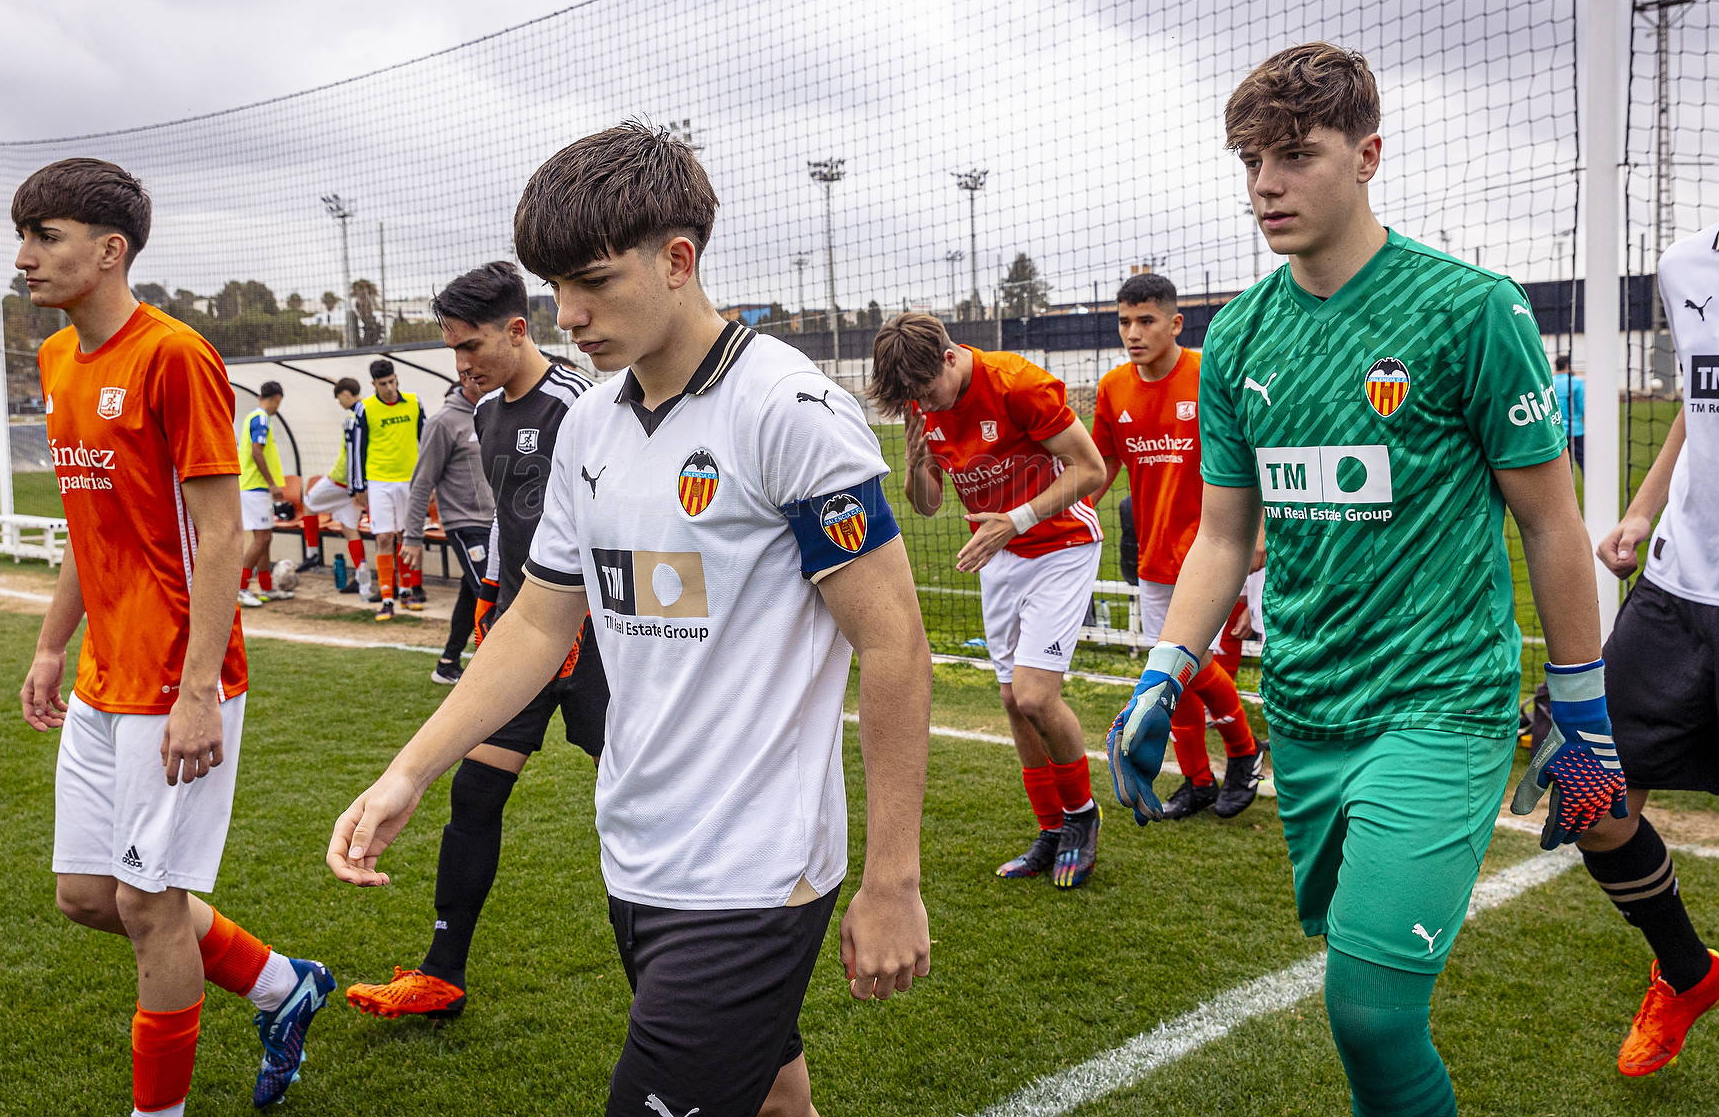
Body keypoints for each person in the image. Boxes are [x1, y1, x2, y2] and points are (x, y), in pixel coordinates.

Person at [331, 122, 931, 1117]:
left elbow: (893, 643)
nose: (569, 313)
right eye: (554, 286)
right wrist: (411, 769)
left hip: (753, 876)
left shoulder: (789, 410)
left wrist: (894, 877)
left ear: (678, 259)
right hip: (640, 853)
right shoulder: (593, 427)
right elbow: (534, 623)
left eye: (594, 281)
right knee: (779, 1102)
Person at [1106, 44, 1625, 1117]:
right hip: (1306, 709)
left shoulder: (1470, 310)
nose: (1266, 184)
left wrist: (1582, 699)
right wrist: (1167, 666)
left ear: (1368, 154)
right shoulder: (1242, 331)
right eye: (1251, 160)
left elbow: (1551, 517)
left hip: (1442, 704)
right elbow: (1223, 536)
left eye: (1296, 155)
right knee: (1366, 1008)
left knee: (1372, 1009)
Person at [13, 158, 331, 1117]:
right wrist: (48, 644)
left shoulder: (175, 356)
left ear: (110, 252)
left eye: (47, 237)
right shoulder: (58, 359)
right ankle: (282, 984)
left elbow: (224, 532)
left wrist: (200, 692)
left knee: (150, 909)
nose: (25, 259)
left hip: (179, 680)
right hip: (105, 676)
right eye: (23, 238)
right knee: (86, 896)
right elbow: (89, 520)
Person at [345, 261, 604, 1022]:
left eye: (470, 347)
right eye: (452, 349)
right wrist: (490, 599)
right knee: (474, 790)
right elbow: (505, 524)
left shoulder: (579, 406)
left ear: (518, 330)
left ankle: (691, 981)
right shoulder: (485, 414)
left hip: (595, 644)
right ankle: (442, 974)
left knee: (640, 797)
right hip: (520, 638)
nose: (460, 365)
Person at [1575, 64, 1719, 1078]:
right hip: (1678, 589)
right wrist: (1638, 508)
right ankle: (1685, 968)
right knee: (1585, 782)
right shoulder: (1688, 267)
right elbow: (1699, 401)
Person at [870, 311, 1109, 888]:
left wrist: (1018, 519)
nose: (926, 402)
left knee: (1034, 695)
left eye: (927, 391)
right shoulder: (921, 406)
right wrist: (916, 456)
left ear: (951, 358)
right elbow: (926, 506)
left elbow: (1092, 469)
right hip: (998, 553)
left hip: (1061, 545)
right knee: (1009, 699)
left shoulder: (1018, 384)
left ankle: (1082, 818)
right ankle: (1050, 829)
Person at [1087, 272, 1267, 819]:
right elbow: (1099, 468)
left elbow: (1255, 456)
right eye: (1124, 322)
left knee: (1195, 664)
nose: (1133, 333)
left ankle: (1243, 752)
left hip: (1213, 554)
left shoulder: (1207, 376)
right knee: (1167, 675)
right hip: (1153, 554)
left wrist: (1259, 535)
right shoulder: (1113, 388)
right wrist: (1067, 515)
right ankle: (1196, 779)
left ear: (1175, 323)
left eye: (1145, 320)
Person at [403, 368, 495, 685]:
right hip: (464, 523)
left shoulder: (493, 410)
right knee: (490, 594)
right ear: (465, 379)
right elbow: (422, 482)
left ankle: (447, 663)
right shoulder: (443, 422)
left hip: (495, 522)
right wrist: (413, 536)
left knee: (472, 593)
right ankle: (492, 676)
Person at [349, 358, 426, 620]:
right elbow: (357, 450)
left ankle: (407, 591)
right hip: (379, 481)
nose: (390, 387)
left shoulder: (414, 402)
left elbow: (425, 444)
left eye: (392, 381)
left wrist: (429, 481)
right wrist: (358, 486)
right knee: (384, 537)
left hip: (409, 481)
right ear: (373, 384)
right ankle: (386, 597)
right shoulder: (364, 408)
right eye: (383, 384)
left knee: (407, 536)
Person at [295, 377, 370, 586]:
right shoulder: (370, 409)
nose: (340, 404)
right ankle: (362, 578)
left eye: (340, 400)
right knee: (349, 528)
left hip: (341, 480)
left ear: (346, 394)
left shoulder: (354, 417)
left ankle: (312, 554)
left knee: (309, 502)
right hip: (358, 484)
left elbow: (355, 452)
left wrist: (355, 483)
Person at [237, 381, 293, 606]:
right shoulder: (261, 418)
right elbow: (257, 452)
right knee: (262, 538)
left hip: (253, 487)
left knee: (265, 539)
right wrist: (272, 484)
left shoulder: (254, 417)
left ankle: (266, 587)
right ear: (276, 399)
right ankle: (241, 588)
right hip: (255, 487)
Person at [1552, 353, 1586, 471]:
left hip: (1557, 431)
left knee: (1564, 469)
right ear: (1568, 365)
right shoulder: (1576, 382)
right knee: (1584, 464)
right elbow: (1582, 406)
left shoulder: (1550, 381)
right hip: (1576, 430)